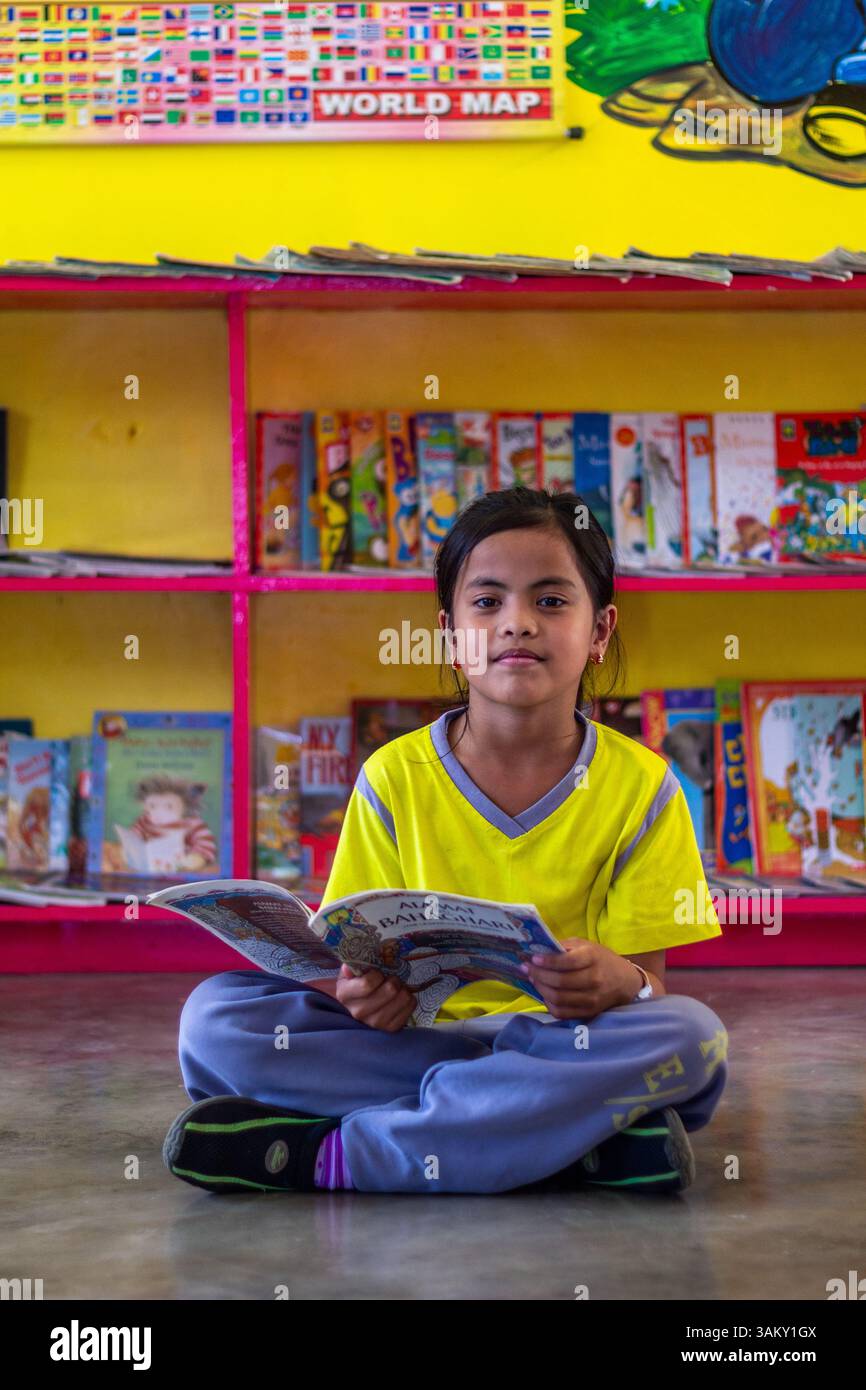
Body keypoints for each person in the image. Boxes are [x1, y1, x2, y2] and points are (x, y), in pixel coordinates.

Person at [164, 487, 728, 1197]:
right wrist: (364, 995)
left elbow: (651, 987)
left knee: (690, 1036)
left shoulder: (646, 789)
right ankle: (560, 1141)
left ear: (600, 631)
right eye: (486, 603)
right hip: (413, 1048)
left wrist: (623, 982)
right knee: (216, 1023)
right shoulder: (393, 777)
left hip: (563, 1049)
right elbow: (350, 960)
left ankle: (342, 1158)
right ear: (450, 633)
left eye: (551, 602)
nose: (516, 623)